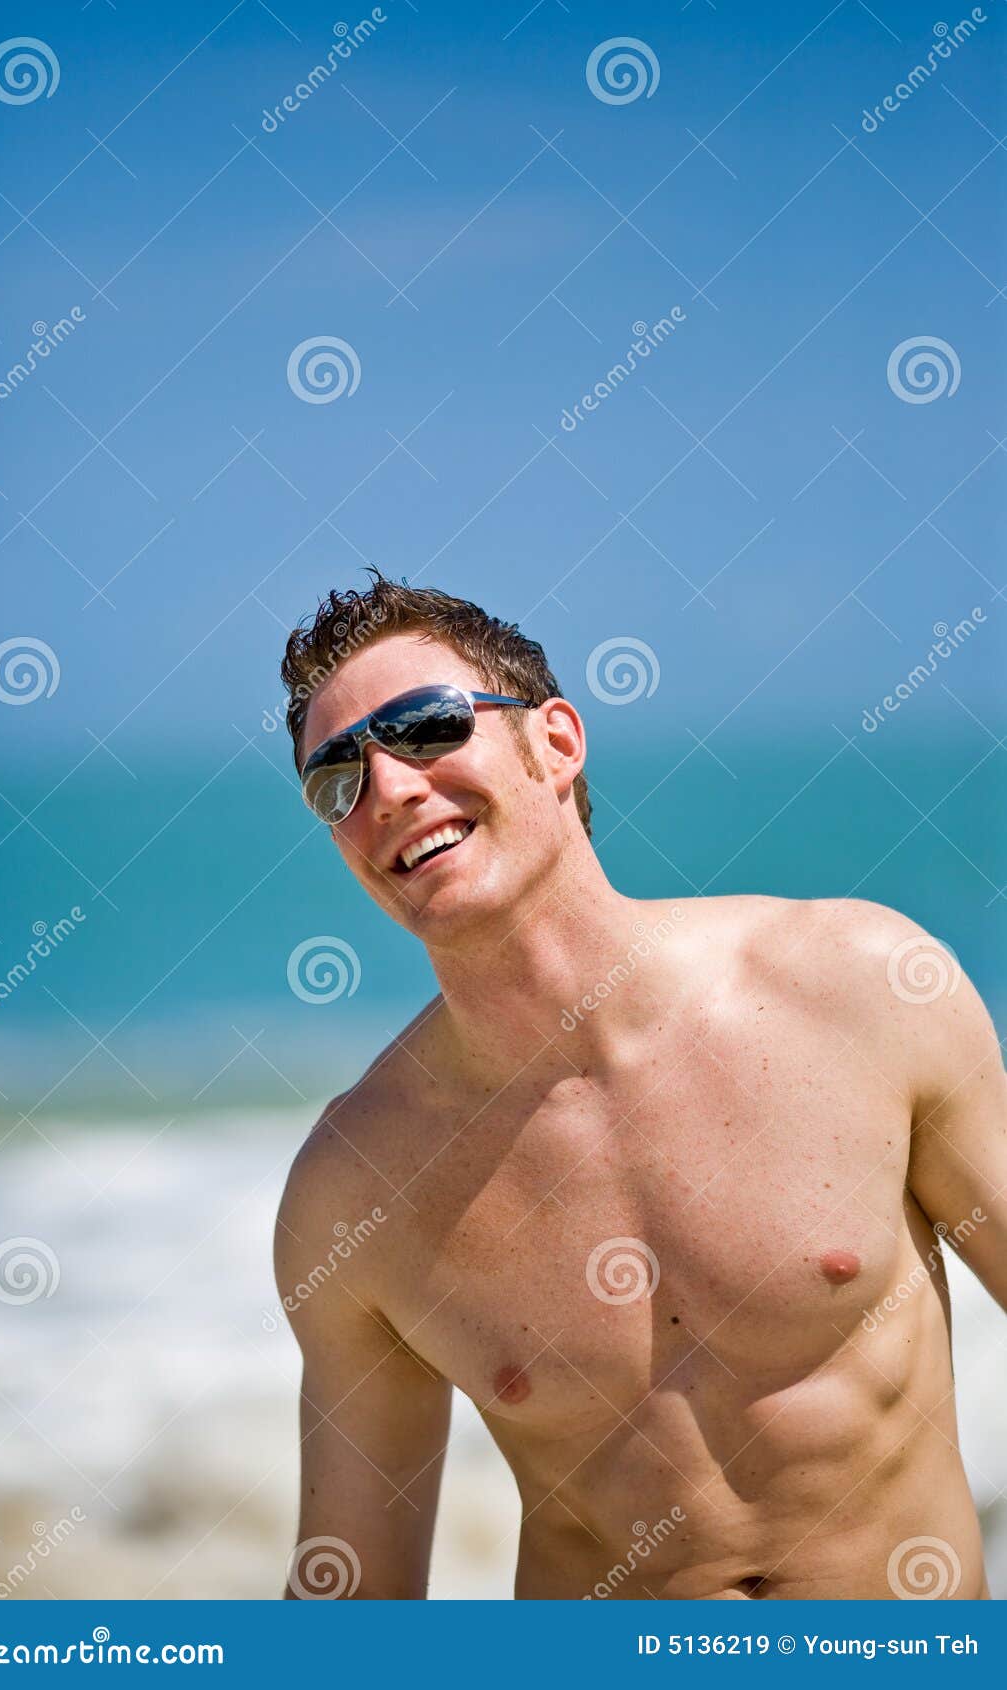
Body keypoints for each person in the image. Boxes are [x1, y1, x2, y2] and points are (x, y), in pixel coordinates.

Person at [274, 570, 1006, 1601]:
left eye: (427, 726)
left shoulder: (864, 985)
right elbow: (352, 1605)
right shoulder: (352, 1187)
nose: (387, 786)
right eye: (335, 777)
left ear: (556, 743)